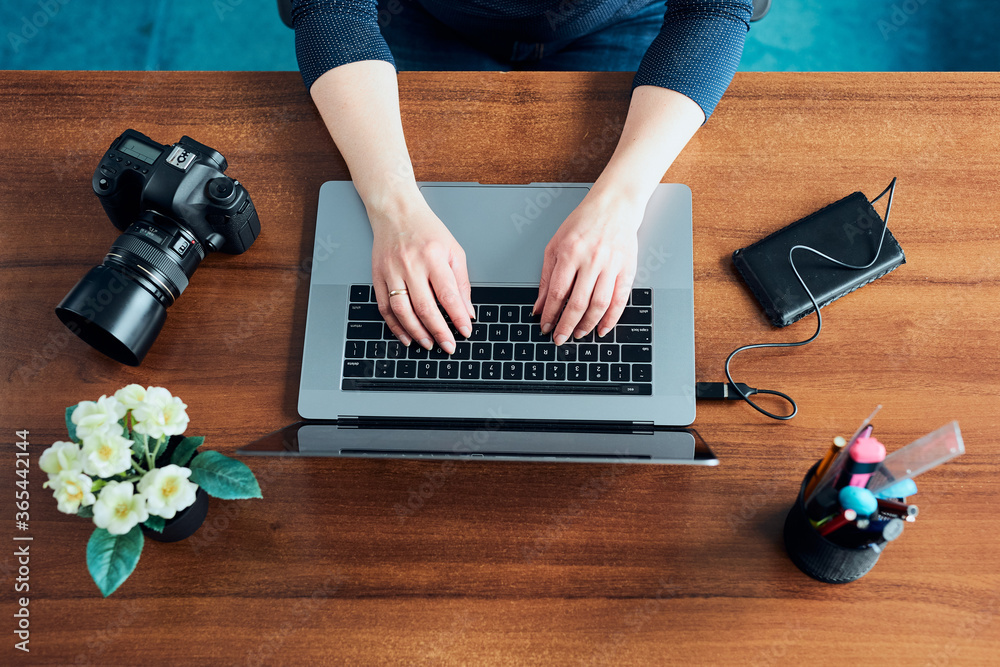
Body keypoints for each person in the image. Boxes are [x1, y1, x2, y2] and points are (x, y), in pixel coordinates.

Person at [291, 0, 752, 354]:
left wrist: (619, 208)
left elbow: (712, 7)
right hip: (430, 17)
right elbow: (331, 7)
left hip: (614, 18)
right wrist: (396, 213)